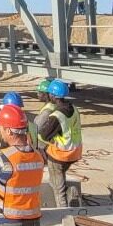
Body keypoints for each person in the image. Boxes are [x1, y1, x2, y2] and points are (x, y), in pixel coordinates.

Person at [38, 80, 83, 208]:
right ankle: (71, 193)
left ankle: (63, 211)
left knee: (58, 190)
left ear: (53, 95)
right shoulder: (74, 109)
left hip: (59, 155)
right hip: (75, 152)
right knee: (57, 179)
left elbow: (43, 135)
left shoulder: (56, 116)